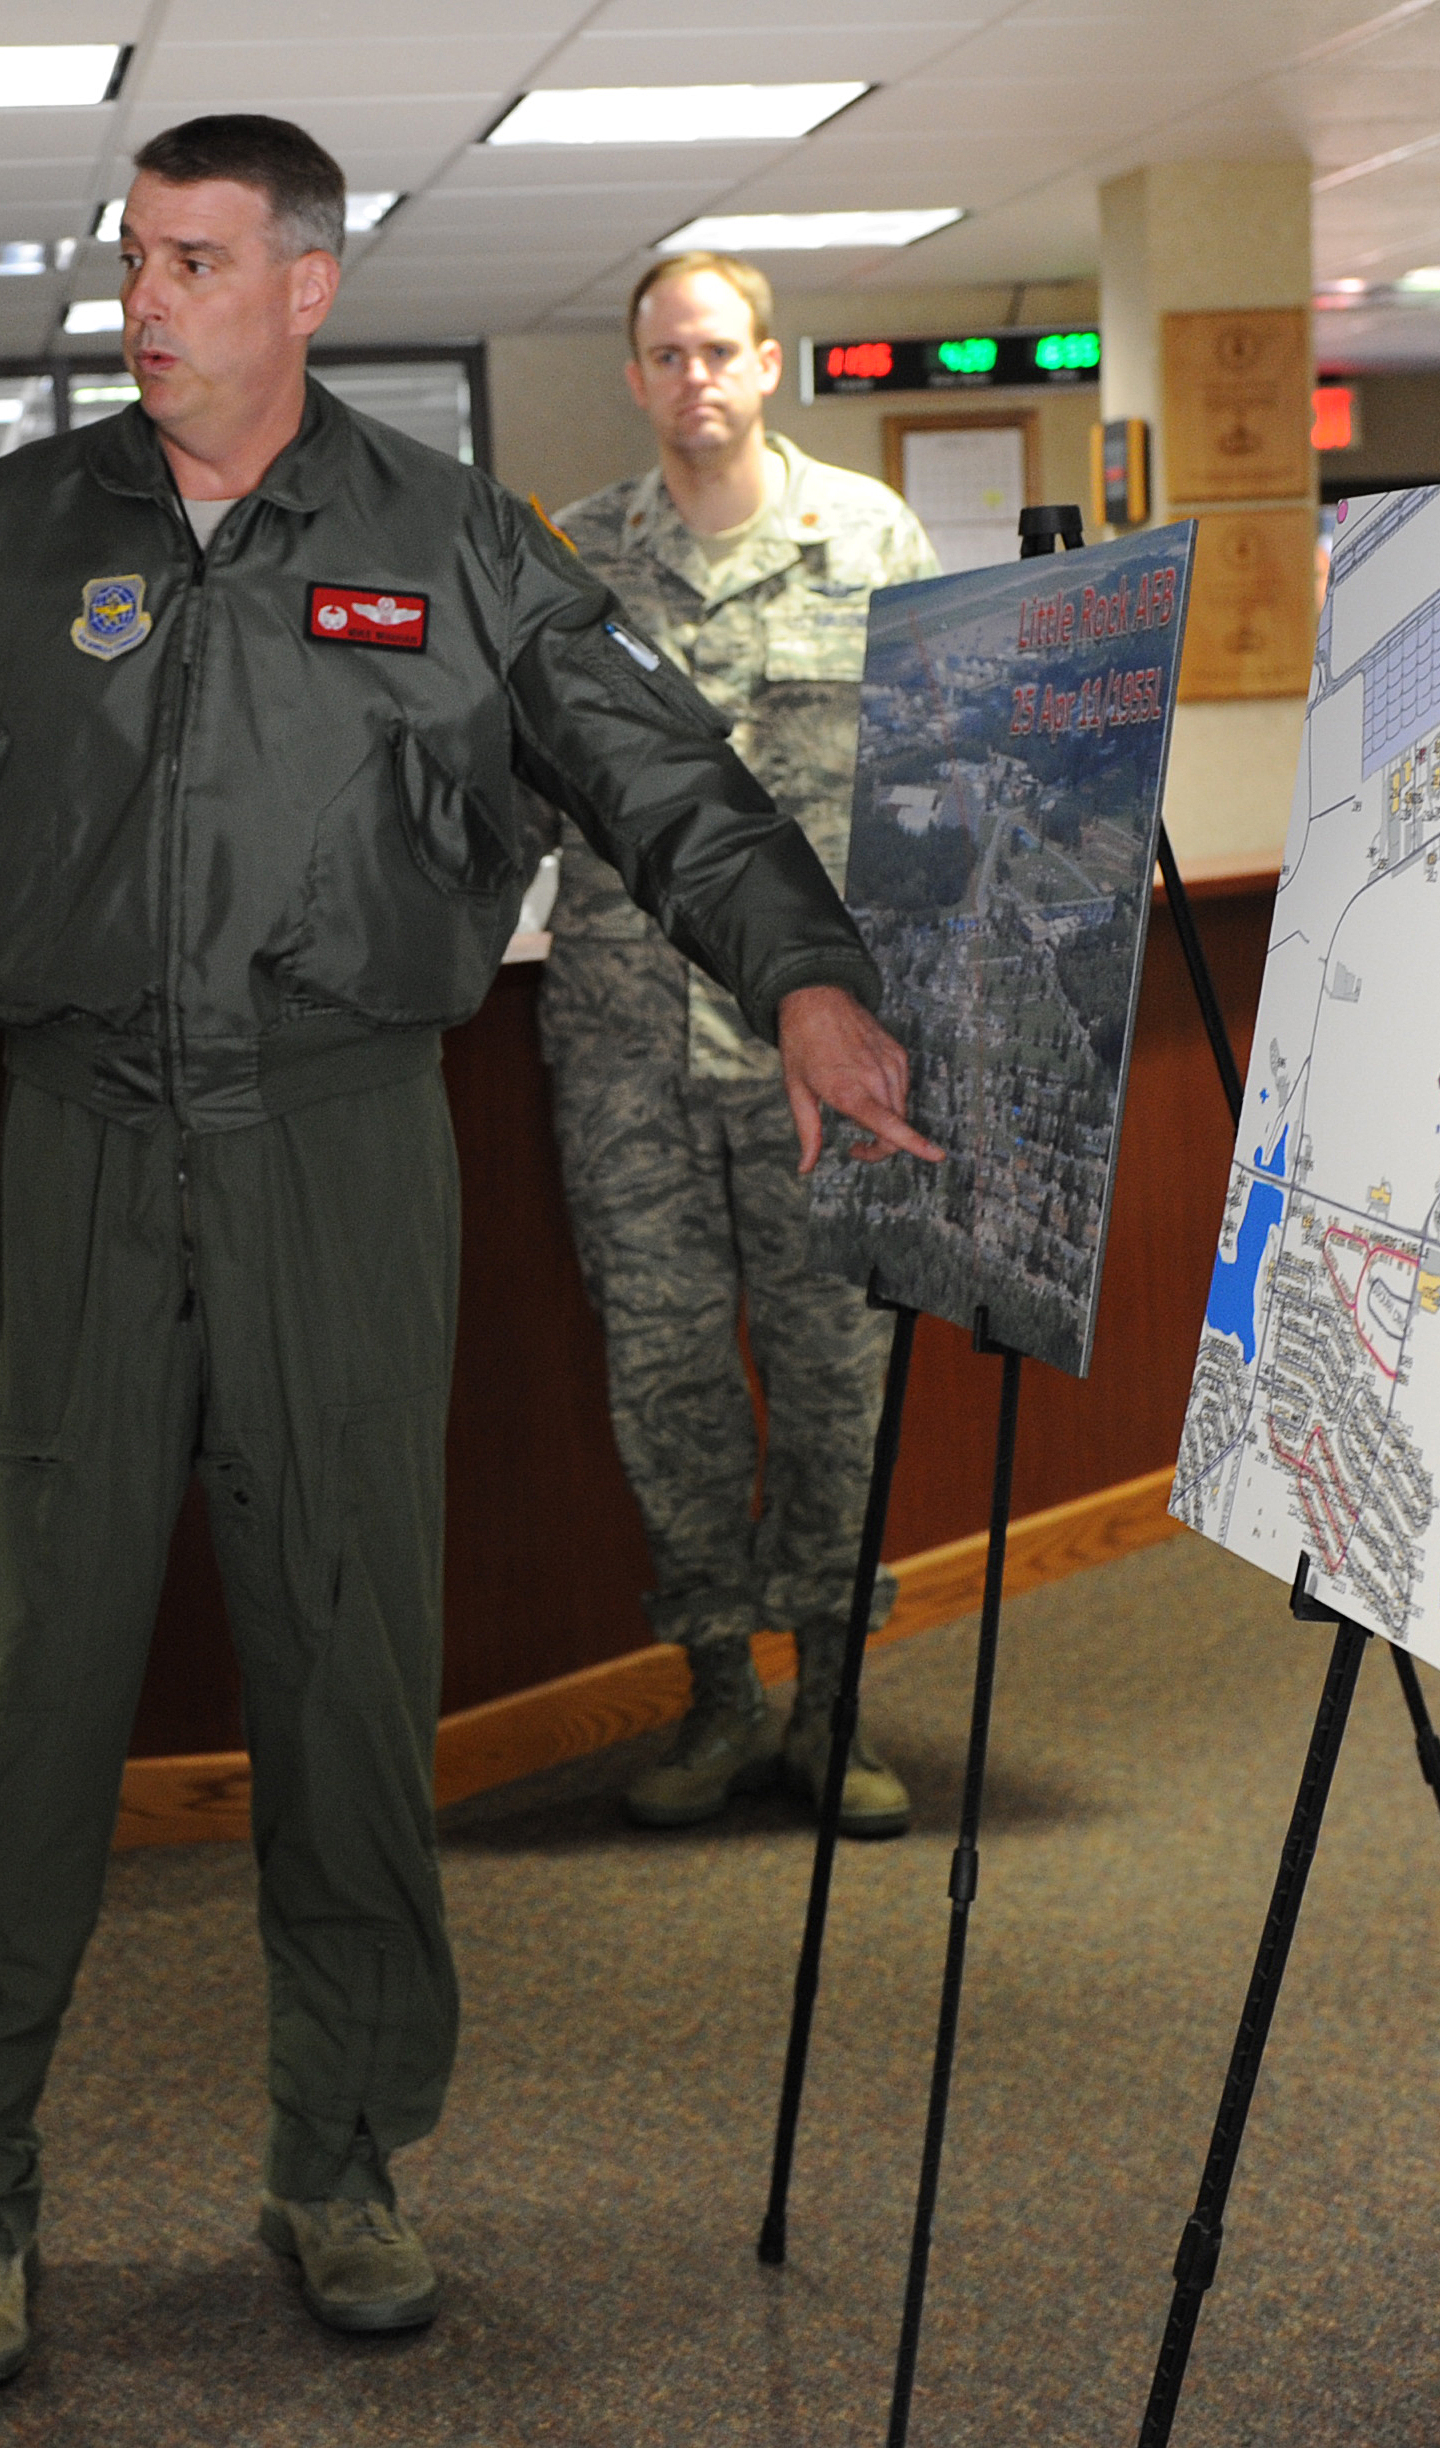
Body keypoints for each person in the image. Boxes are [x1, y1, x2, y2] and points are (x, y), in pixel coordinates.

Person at [0, 114, 940, 2388]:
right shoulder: (19, 534)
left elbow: (663, 769)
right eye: (136, 259)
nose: (149, 299)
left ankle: (341, 2152)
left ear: (306, 284)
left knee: (344, 1653)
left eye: (197, 261)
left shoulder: (448, 541)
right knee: (35, 1675)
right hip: (94, 1141)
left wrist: (805, 967)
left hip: (342, 1140)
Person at [544, 254, 943, 1840]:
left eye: (718, 348)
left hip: (824, 1059)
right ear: (635, 379)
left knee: (837, 1376)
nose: (693, 377)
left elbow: (937, 794)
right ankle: (718, 1695)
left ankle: (832, 1710)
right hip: (625, 1051)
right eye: (664, 354)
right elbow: (507, 797)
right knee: (664, 1379)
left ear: (768, 365)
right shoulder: (570, 562)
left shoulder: (872, 543)